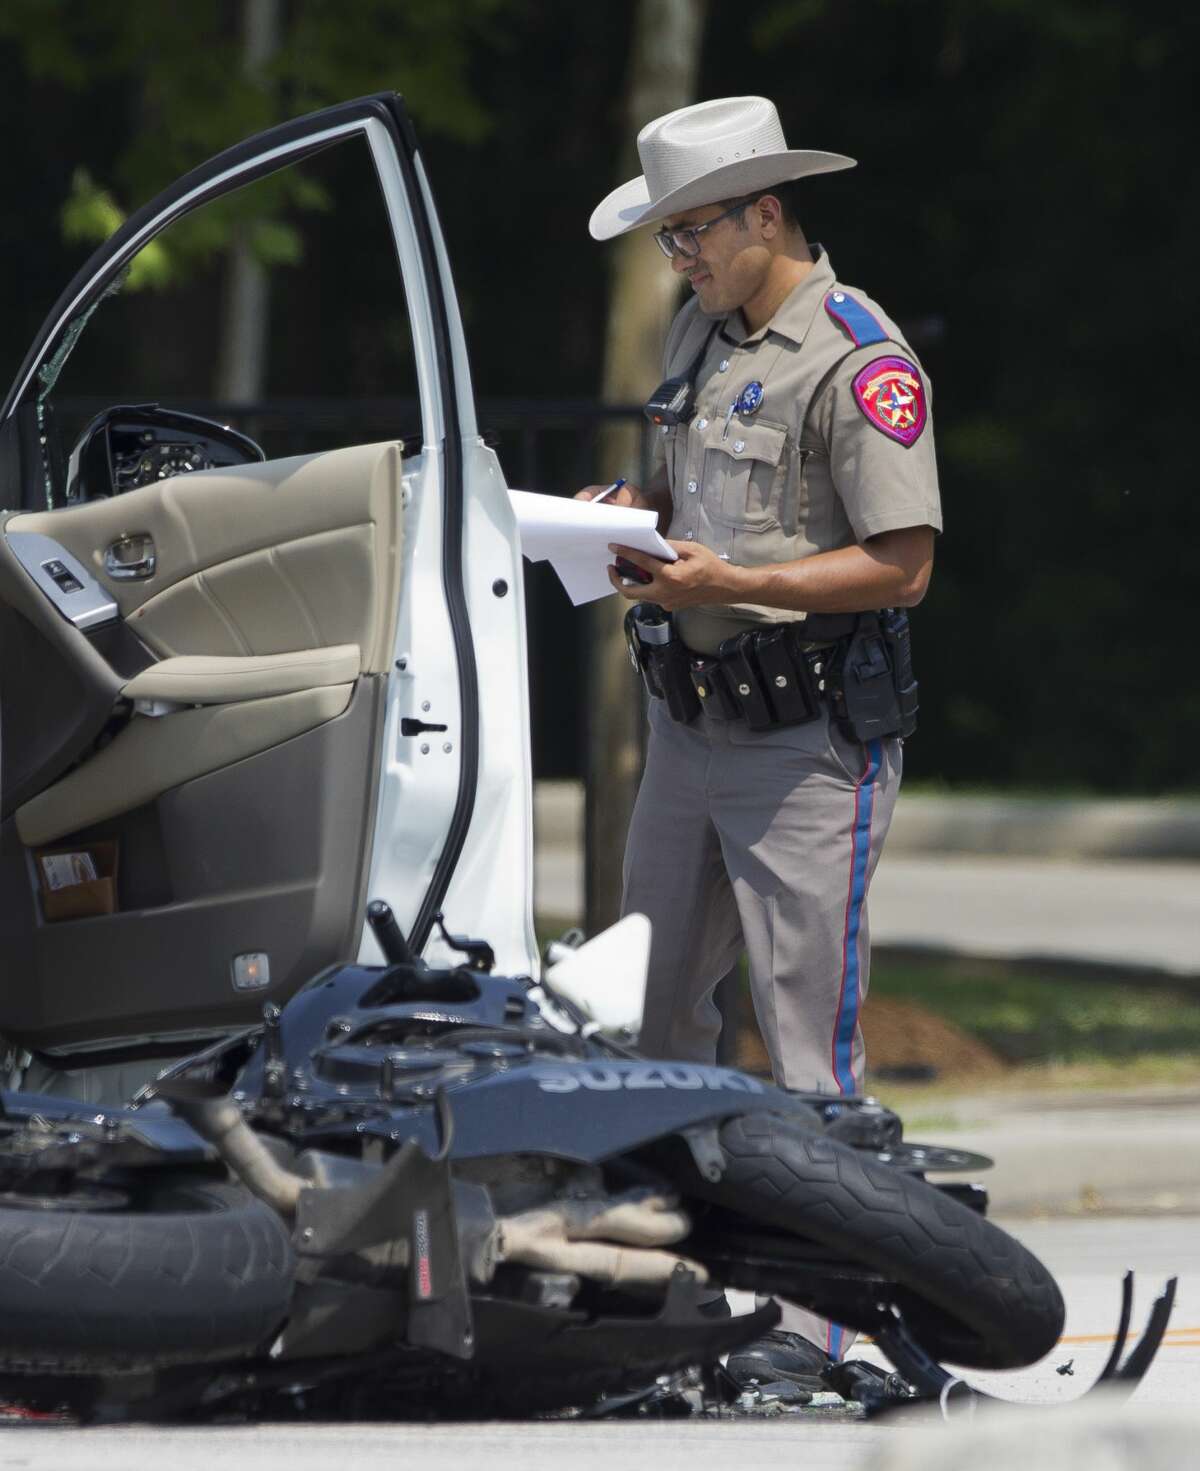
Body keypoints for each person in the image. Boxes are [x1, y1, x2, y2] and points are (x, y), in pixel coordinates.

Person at [577, 95, 942, 1394]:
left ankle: (822, 1331)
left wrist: (738, 580)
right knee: (654, 1017)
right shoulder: (698, 330)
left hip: (804, 749)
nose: (678, 257)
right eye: (668, 238)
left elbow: (901, 568)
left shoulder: (859, 354)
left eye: (693, 233)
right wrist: (623, 518)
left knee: (804, 1051)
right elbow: (683, 489)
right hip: (689, 729)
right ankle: (668, 1294)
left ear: (766, 213)